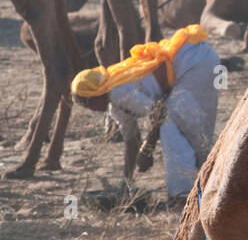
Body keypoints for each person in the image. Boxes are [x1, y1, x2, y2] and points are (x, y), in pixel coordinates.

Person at [71, 25, 221, 202]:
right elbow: (132, 141)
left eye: (89, 106)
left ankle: (183, 195)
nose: (93, 111)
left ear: (94, 97)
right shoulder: (115, 106)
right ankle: (201, 188)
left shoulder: (118, 91)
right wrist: (127, 183)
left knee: (176, 129)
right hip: (193, 60)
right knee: (191, 134)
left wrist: (148, 149)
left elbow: (160, 111)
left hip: (194, 60)